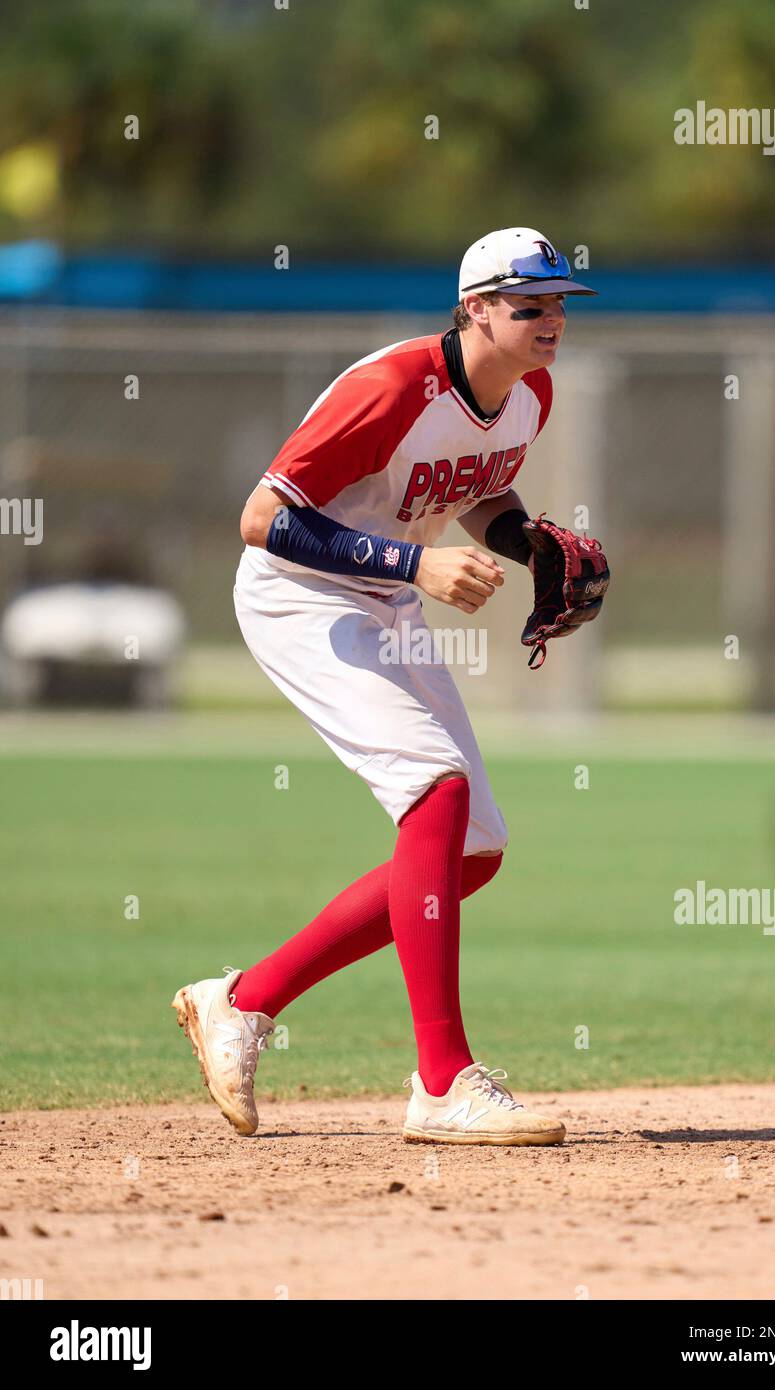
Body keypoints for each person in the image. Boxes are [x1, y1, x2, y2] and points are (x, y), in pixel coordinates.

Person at [172, 227, 603, 1144]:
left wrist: (526, 545)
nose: (552, 319)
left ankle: (241, 1001)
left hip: (385, 598)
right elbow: (261, 522)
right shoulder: (393, 388)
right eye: (530, 304)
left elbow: (479, 489)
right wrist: (417, 564)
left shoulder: (531, 393)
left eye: (560, 301)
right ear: (475, 309)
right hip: (299, 598)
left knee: (472, 851)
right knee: (434, 788)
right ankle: (443, 1082)